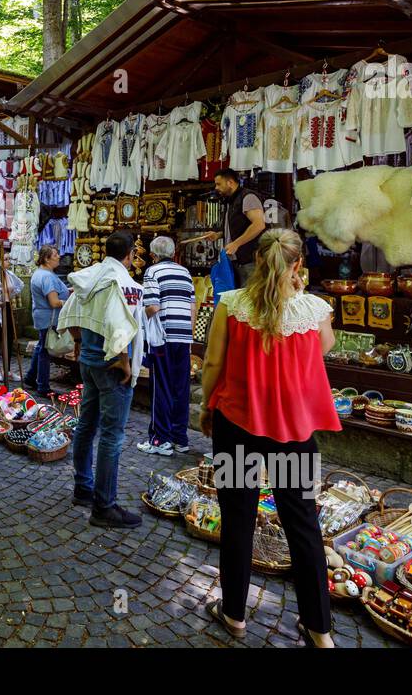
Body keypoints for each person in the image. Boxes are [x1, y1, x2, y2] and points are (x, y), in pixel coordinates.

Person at [199, 229, 340, 648]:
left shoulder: (231, 305)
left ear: (256, 261)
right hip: (293, 432)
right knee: (302, 524)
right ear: (298, 266)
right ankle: (320, 630)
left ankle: (235, 614)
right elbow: (324, 349)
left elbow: (212, 362)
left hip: (236, 426)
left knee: (237, 518)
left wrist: (207, 407)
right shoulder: (314, 309)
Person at [57, 231, 146, 529]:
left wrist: (80, 340)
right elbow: (120, 325)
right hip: (110, 366)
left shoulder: (89, 276)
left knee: (87, 424)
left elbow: (69, 311)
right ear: (131, 253)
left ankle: (84, 486)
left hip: (89, 362)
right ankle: (104, 505)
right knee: (112, 434)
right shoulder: (124, 283)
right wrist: (123, 360)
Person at [137, 236, 197, 457]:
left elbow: (152, 307)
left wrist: (137, 316)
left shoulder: (152, 272)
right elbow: (192, 306)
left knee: (160, 386)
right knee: (180, 389)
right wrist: (188, 334)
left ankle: (160, 439)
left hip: (163, 337)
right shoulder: (185, 272)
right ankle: (180, 438)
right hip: (183, 337)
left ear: (153, 255)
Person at [204, 168, 267, 283]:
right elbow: (237, 228)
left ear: (230, 183)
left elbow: (259, 224)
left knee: (250, 297)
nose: (216, 188)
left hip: (250, 260)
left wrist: (236, 244)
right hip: (237, 261)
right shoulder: (231, 201)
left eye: (219, 184)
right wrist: (218, 235)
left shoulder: (248, 197)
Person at [25, 246, 69, 396]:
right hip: (48, 318)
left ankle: (31, 377)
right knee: (45, 351)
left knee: (41, 347)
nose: (59, 257)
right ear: (46, 259)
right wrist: (69, 302)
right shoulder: (47, 277)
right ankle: (43, 386)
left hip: (41, 316)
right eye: (56, 255)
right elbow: (54, 302)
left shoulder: (40, 273)